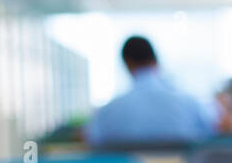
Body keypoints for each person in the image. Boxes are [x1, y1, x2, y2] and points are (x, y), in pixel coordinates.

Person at [84, 36, 217, 146]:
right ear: (155, 61)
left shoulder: (107, 111)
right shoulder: (190, 104)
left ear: (127, 64)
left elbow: (93, 141)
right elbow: (211, 134)